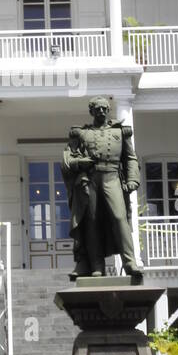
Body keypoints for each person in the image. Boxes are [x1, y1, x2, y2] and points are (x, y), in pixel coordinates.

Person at [62, 96, 142, 279]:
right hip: (90, 179)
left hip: (112, 177)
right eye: (97, 109)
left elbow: (130, 158)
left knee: (119, 217)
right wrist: (80, 162)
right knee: (92, 222)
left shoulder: (120, 132)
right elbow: (68, 159)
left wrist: (132, 180)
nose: (101, 111)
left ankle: (130, 262)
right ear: (91, 111)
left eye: (104, 108)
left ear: (108, 110)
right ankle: (97, 266)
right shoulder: (81, 133)